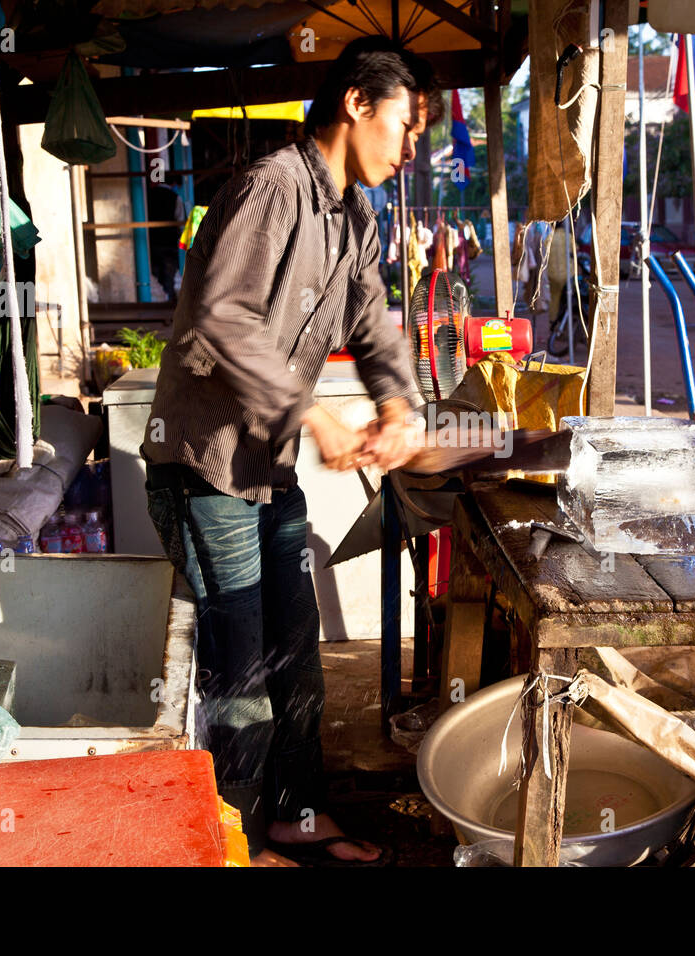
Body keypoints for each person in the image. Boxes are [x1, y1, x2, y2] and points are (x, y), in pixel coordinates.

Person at [141, 37, 441, 867]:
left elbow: (373, 322)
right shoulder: (272, 189)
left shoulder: (354, 214)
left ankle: (296, 820)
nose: (411, 147)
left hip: (266, 471)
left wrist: (396, 404)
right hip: (206, 468)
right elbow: (221, 319)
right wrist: (313, 415)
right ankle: (233, 843)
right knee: (239, 674)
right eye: (405, 125)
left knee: (295, 657)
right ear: (356, 102)